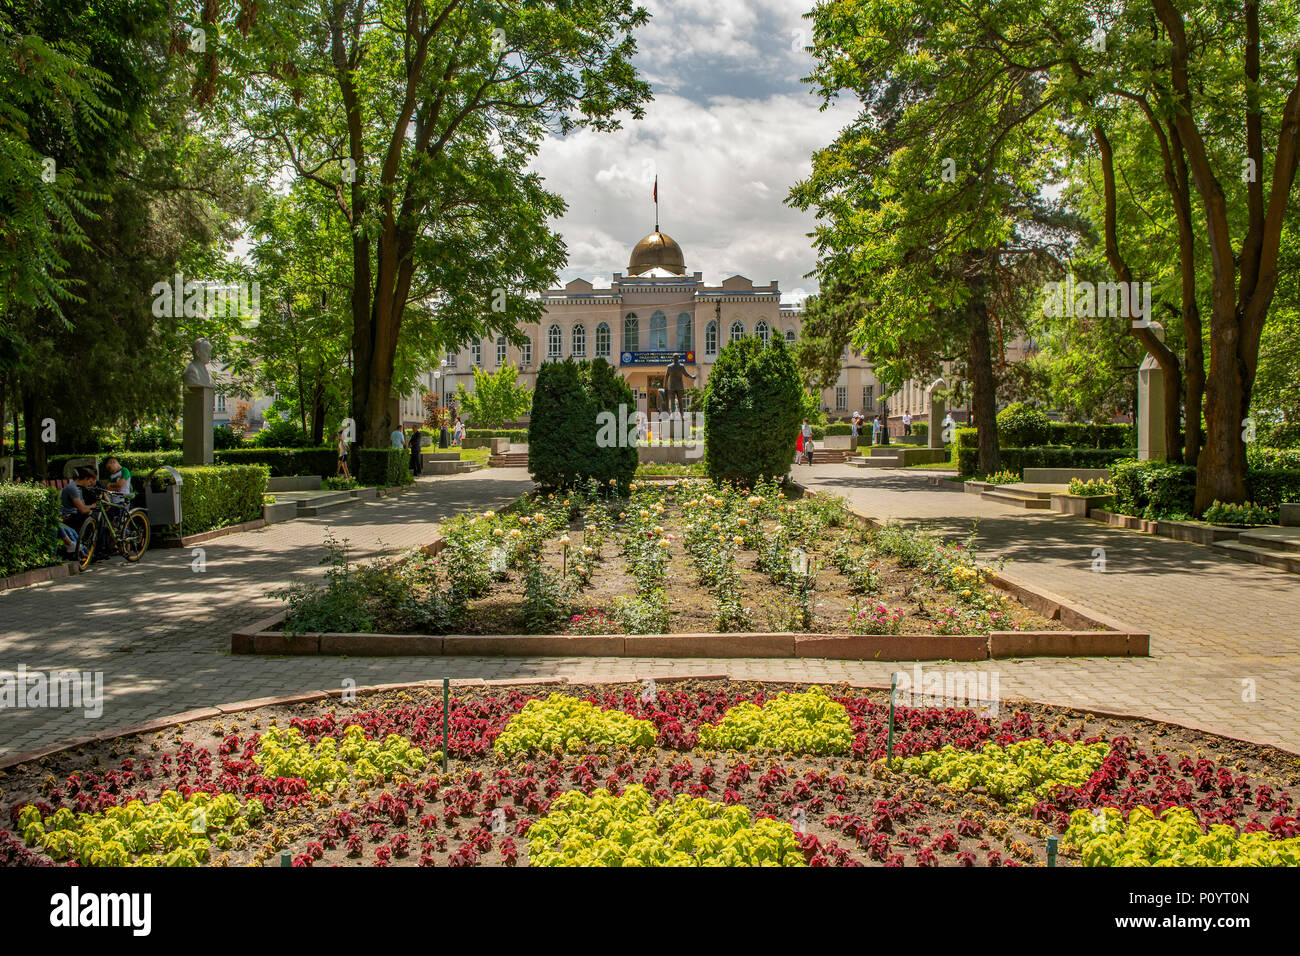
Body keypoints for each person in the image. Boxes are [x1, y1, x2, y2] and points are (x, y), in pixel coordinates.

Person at [60, 467, 99, 555]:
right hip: (68, 516)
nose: (90, 484)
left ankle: (90, 550)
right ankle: (86, 550)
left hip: (74, 514)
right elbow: (82, 509)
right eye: (89, 481)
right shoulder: (73, 488)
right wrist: (94, 505)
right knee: (90, 519)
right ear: (85, 479)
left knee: (93, 517)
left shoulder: (78, 488)